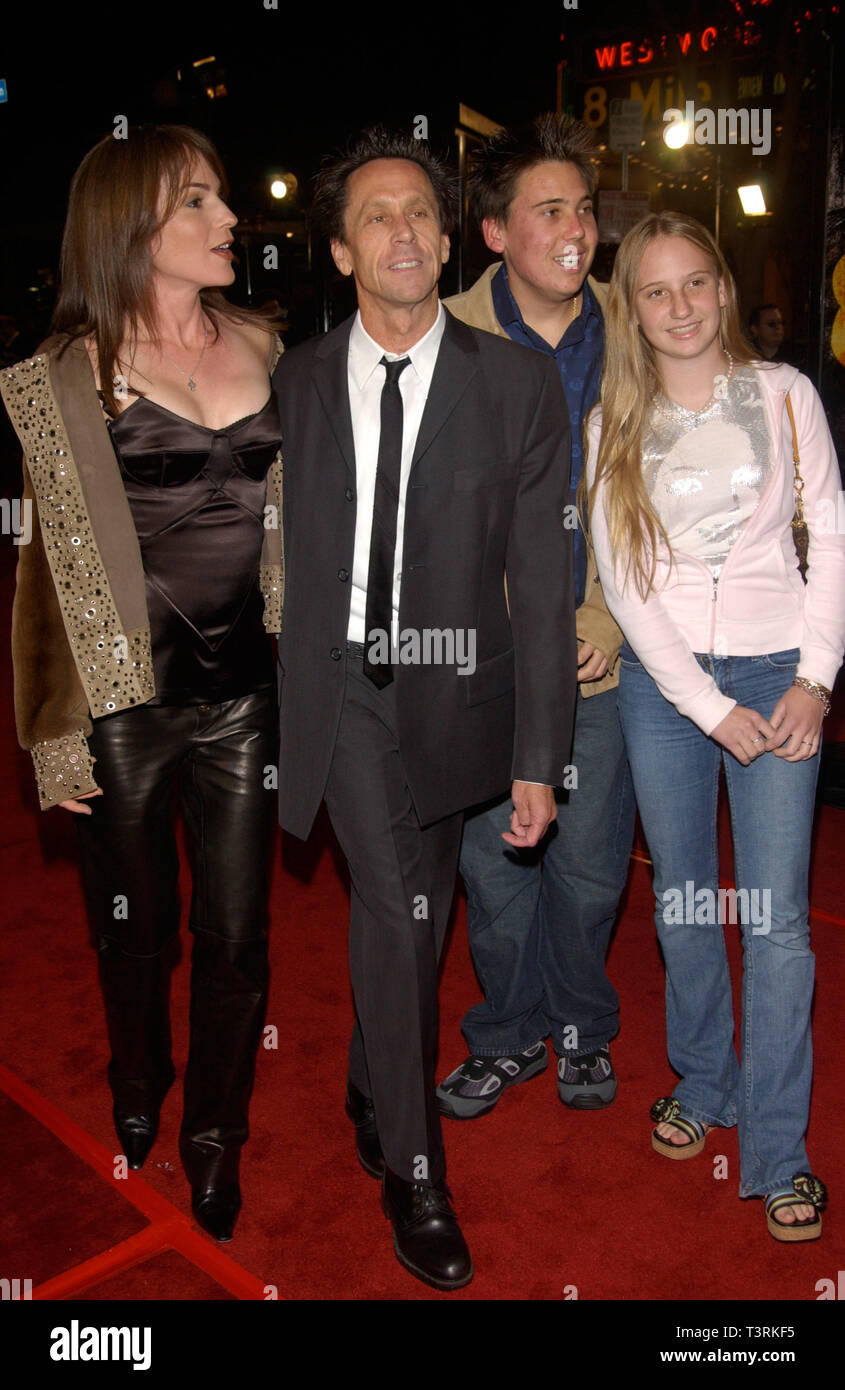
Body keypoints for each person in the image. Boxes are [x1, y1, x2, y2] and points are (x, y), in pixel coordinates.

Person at [272, 128, 574, 1290]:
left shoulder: (514, 383)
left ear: (446, 243)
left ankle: (367, 1069)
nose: (401, 232)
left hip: (464, 689)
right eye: (376, 216)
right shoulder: (296, 378)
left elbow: (543, 588)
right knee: (397, 912)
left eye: (419, 215)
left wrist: (540, 753)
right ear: (343, 248)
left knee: (419, 903)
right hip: (342, 682)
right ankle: (413, 1164)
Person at [0, 125, 284, 1243]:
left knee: (238, 933)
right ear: (132, 228)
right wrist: (50, 739)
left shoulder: (264, 341)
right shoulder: (57, 377)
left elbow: (293, 528)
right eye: (198, 205)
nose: (228, 222)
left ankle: (214, 1137)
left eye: (222, 199)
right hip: (124, 705)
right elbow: (46, 573)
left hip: (246, 695)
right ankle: (137, 1077)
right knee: (137, 929)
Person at [584, 211, 845, 1241]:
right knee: (684, 898)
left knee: (775, 921)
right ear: (631, 310)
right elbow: (623, 577)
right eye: (655, 290)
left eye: (695, 282)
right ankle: (705, 1080)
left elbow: (827, 531)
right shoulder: (611, 418)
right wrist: (704, 705)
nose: (679, 305)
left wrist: (816, 679)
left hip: (780, 672)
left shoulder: (784, 396)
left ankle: (778, 1149)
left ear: (722, 290)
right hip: (665, 688)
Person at [437, 113, 635, 1120]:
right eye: (546, 209)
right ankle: (509, 1031)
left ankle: (581, 1029)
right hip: (487, 663)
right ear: (492, 232)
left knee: (594, 867)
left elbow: (665, 492)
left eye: (583, 208)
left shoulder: (633, 328)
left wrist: (602, 616)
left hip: (601, 654)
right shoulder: (442, 340)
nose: (573, 228)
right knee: (494, 863)